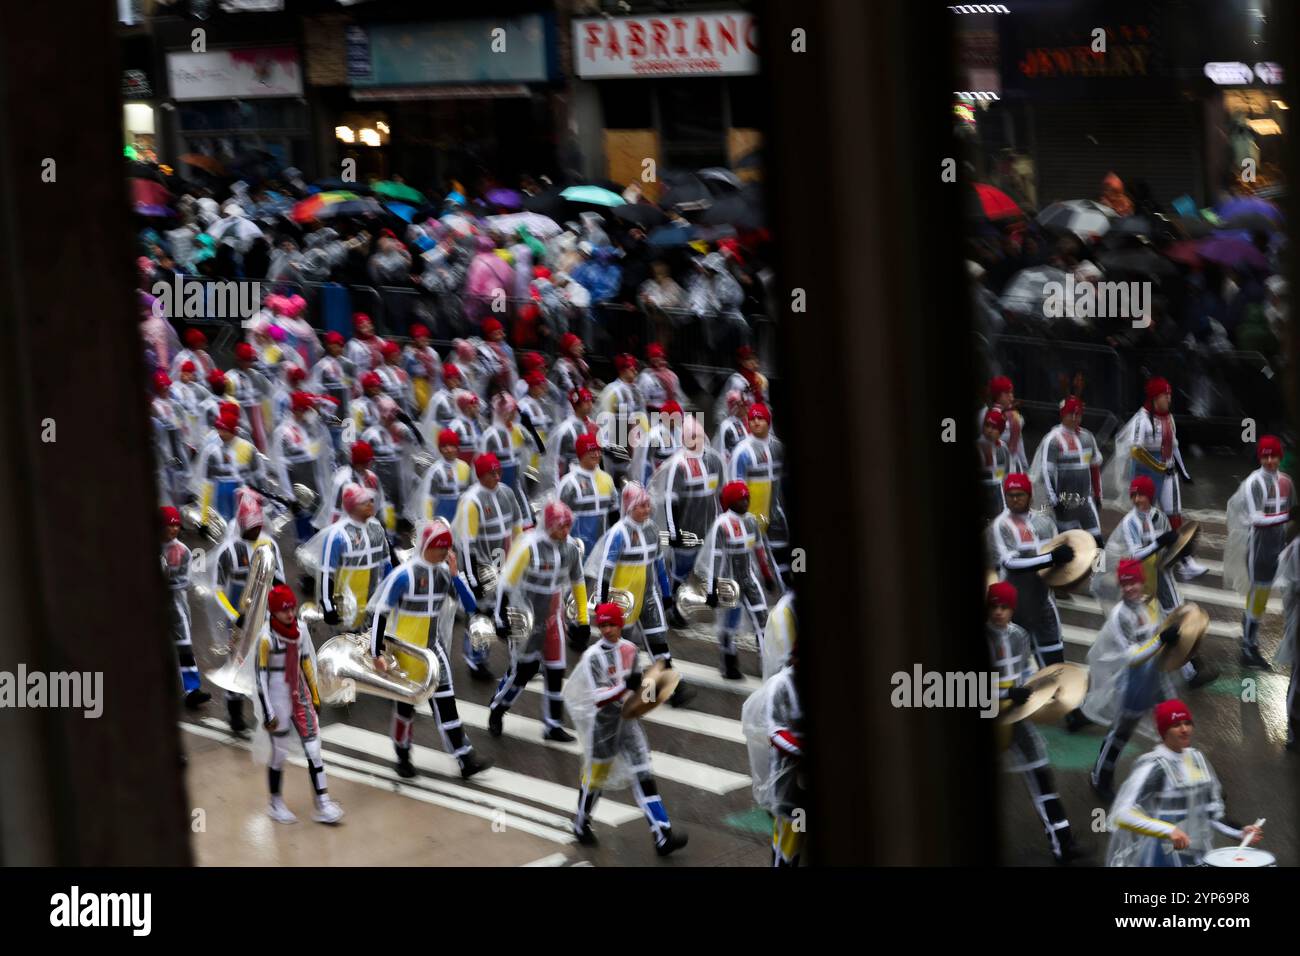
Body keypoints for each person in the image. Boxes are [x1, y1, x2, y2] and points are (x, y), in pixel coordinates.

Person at [368, 518, 493, 779]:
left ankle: (465, 758)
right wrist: (377, 652)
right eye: (440, 547)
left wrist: (456, 575)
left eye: (447, 548)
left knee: (447, 705)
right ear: (426, 546)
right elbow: (380, 613)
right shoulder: (403, 575)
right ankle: (402, 756)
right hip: (404, 653)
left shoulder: (443, 574)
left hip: (433, 651)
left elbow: (470, 606)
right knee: (405, 709)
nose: (444, 553)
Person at [563, 601, 689, 856]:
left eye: (612, 624)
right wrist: (624, 687)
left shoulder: (631, 649)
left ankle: (662, 833)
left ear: (620, 624)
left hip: (628, 722)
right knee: (596, 779)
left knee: (643, 773)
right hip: (604, 724)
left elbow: (641, 691)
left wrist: (652, 690)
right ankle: (581, 821)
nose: (608, 629)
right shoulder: (592, 657)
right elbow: (598, 698)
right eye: (603, 625)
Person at [986, 582, 1085, 863]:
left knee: (1042, 775)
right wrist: (1006, 693)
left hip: (1015, 719)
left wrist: (1042, 689)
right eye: (994, 606)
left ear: (1012, 609)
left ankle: (1063, 844)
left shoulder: (1019, 635)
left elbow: (1026, 671)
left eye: (1004, 607)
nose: (998, 612)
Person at [1106, 699, 1263, 866]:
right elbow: (1121, 814)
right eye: (1176, 725)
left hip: (1195, 855)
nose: (1184, 730)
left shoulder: (1197, 759)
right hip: (1159, 858)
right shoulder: (1154, 766)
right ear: (1164, 731)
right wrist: (1168, 830)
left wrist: (1239, 833)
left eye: (1187, 723)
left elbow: (1210, 812)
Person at [585, 482, 694, 707]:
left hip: (647, 597)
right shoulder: (618, 533)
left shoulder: (652, 529)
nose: (647, 510)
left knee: (658, 642)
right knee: (617, 648)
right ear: (629, 507)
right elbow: (605, 570)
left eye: (648, 505)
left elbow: (660, 565)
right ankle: (608, 689)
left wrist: (666, 594)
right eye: (641, 506)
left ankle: (674, 688)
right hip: (621, 602)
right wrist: (602, 603)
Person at [1081, 559, 1182, 801]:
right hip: (1134, 683)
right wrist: (1160, 641)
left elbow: (1155, 635)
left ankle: (1184, 778)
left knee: (1175, 723)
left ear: (1141, 581)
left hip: (1155, 676)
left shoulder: (1147, 605)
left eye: (1133, 582)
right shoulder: (1119, 615)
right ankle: (1099, 776)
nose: (1129, 588)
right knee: (1121, 733)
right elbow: (1130, 657)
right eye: (1125, 584)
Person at [488, 500, 588, 740]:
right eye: (561, 527)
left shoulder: (571, 548)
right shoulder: (528, 546)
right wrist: (500, 616)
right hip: (526, 615)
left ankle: (552, 725)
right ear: (549, 525)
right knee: (524, 669)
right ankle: (498, 709)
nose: (565, 532)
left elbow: (578, 582)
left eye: (568, 527)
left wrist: (583, 620)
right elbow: (506, 583)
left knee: (556, 669)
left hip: (553, 617)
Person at [254, 584, 345, 825]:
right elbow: (260, 677)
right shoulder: (266, 639)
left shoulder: (301, 630)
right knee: (279, 753)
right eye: (285, 610)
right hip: (277, 697)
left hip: (299, 695)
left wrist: (315, 695)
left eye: (292, 608)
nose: (290, 614)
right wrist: (268, 711)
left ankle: (323, 803)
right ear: (274, 611)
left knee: (315, 750)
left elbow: (307, 662)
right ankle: (275, 802)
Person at [1109, 377, 1206, 581]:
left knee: (1175, 517)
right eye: (1165, 395)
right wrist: (1157, 467)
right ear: (1154, 397)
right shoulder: (1142, 419)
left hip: (1169, 475)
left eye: (1170, 394)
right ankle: (1135, 558)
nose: (1169, 399)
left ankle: (1186, 562)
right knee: (1145, 517)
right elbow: (1135, 450)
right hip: (1147, 476)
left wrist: (1184, 472)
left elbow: (1175, 446)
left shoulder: (1168, 417)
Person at [210, 489, 286, 736]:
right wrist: (235, 615)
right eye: (251, 527)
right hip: (239, 622)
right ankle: (234, 715)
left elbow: (280, 582)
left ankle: (269, 714)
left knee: (269, 666)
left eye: (258, 526)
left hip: (265, 620)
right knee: (236, 665)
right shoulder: (228, 552)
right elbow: (217, 590)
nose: (255, 531)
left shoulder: (270, 545)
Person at [453, 452, 525, 682]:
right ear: (480, 475)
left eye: (497, 471)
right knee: (481, 614)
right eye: (490, 473)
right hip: (482, 567)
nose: (496, 476)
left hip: (505, 563)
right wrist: (473, 579)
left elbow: (516, 525)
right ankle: (476, 659)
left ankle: (520, 660)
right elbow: (466, 544)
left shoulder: (506, 492)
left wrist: (520, 556)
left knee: (510, 609)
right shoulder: (471, 501)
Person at [1224, 435, 1294, 668]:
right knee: (1258, 599)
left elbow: (1291, 514)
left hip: (1277, 548)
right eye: (1265, 455)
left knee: (1258, 600)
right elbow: (1256, 519)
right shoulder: (1254, 482)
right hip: (1259, 550)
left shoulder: (1286, 482)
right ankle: (1247, 648)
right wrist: (1287, 517)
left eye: (1273, 455)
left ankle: (1249, 641)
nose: (1270, 460)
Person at [696, 480, 777, 679]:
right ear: (731, 502)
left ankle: (767, 664)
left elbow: (759, 551)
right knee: (729, 626)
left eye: (747, 498)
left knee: (763, 621)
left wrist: (766, 576)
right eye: (741, 499)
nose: (746, 502)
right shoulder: (721, 525)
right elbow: (714, 558)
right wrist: (712, 589)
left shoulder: (751, 521)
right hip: (729, 582)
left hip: (750, 580)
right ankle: (729, 662)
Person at [989, 473, 1069, 667]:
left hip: (1044, 603)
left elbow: (1058, 558)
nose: (1015, 499)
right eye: (1010, 495)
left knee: (1054, 666)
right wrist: (1049, 559)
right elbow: (1010, 563)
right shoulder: (1001, 524)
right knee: (1013, 668)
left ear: (1030, 495)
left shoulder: (1045, 522)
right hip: (1015, 606)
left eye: (1020, 494)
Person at [742, 637, 805, 866]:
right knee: (790, 834)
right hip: (788, 777)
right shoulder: (780, 686)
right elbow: (774, 731)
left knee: (796, 834)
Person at [652, 416, 725, 615]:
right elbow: (669, 501)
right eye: (691, 437)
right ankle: (675, 605)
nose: (696, 441)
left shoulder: (713, 460)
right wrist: (674, 532)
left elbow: (722, 493)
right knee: (681, 572)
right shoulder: (678, 464)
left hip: (709, 528)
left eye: (699, 436)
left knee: (711, 564)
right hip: (687, 531)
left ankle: (710, 594)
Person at [728, 403, 790, 579]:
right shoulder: (742, 451)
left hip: (776, 513)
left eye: (760, 418)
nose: (755, 422)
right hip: (751, 516)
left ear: (768, 421)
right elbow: (735, 486)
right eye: (752, 418)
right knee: (750, 566)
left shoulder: (778, 448)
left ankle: (787, 592)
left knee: (782, 557)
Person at [1029, 396, 1103, 543]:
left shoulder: (1088, 437)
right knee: (1069, 544)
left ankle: (1098, 567)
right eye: (1071, 414)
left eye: (1078, 414)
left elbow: (1094, 467)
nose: (1075, 418)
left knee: (1097, 541)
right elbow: (1047, 472)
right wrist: (1055, 502)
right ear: (1063, 414)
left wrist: (1098, 495)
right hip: (1064, 503)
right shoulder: (1053, 440)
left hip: (1086, 501)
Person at [317, 483, 392, 629]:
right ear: (352, 506)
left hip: (375, 605)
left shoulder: (377, 528)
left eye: (371, 500)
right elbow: (327, 573)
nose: (371, 504)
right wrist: (327, 605)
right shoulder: (337, 535)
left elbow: (386, 563)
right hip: (348, 608)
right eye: (364, 502)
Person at [161, 506, 209, 709]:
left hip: (175, 603)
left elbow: (185, 580)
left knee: (184, 645)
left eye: (176, 525)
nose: (173, 529)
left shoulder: (183, 552)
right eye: (168, 525)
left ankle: (191, 690)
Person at [192, 406, 267, 524]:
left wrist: (263, 499)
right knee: (226, 534)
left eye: (224, 430)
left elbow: (259, 475)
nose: (220, 433)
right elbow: (207, 484)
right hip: (222, 499)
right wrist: (204, 516)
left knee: (248, 532)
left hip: (246, 498)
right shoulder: (213, 451)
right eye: (219, 429)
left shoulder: (248, 447)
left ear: (233, 430)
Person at [557, 432, 619, 559]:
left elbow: (614, 515)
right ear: (581, 454)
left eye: (598, 450)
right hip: (575, 552)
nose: (596, 454)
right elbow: (558, 520)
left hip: (601, 552)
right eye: (591, 450)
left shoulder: (607, 479)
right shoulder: (569, 483)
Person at [410, 428, 472, 524]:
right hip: (442, 518)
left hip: (461, 517)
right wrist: (429, 523)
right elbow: (428, 499)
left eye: (452, 445)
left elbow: (471, 493)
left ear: (457, 447)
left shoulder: (465, 467)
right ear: (440, 449)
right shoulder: (436, 471)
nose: (448, 449)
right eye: (444, 446)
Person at [979, 376, 1027, 472]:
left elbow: (1019, 446)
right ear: (997, 395)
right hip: (990, 467)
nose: (1011, 396)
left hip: (1011, 467)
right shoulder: (983, 415)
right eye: (1007, 393)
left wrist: (1025, 468)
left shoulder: (1016, 418)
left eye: (1011, 392)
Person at [976, 407, 1010, 524]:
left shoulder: (1003, 448)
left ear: (1000, 431)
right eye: (987, 426)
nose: (989, 430)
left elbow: (1006, 473)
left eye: (994, 428)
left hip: (998, 497)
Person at [713, 389, 749, 468]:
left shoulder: (746, 422)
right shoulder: (727, 425)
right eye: (742, 404)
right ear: (735, 406)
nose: (746, 406)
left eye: (746, 403)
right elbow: (723, 453)